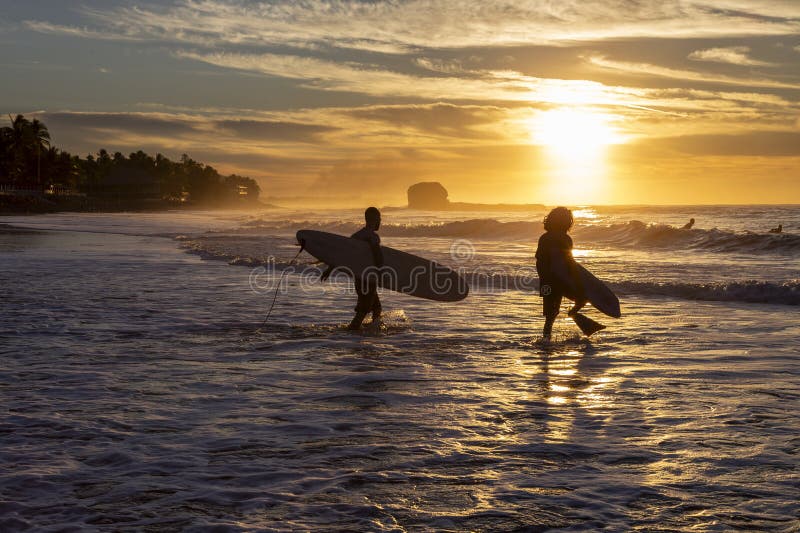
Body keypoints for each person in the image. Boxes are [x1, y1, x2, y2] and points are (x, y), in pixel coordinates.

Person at [535, 207, 603, 339]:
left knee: (551, 315)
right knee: (581, 299)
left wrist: (543, 279)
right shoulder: (565, 239)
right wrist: (576, 281)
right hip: (560, 280)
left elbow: (539, 260)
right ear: (567, 222)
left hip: (547, 281)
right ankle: (573, 315)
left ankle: (546, 341)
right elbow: (569, 263)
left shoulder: (544, 238)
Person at [347, 207, 384, 330]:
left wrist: (329, 269)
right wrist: (383, 272)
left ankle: (373, 330)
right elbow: (377, 255)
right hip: (368, 279)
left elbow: (343, 256)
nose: (380, 221)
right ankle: (350, 332)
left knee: (376, 307)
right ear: (374, 219)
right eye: (379, 218)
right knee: (362, 311)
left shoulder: (355, 236)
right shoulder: (373, 237)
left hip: (359, 278)